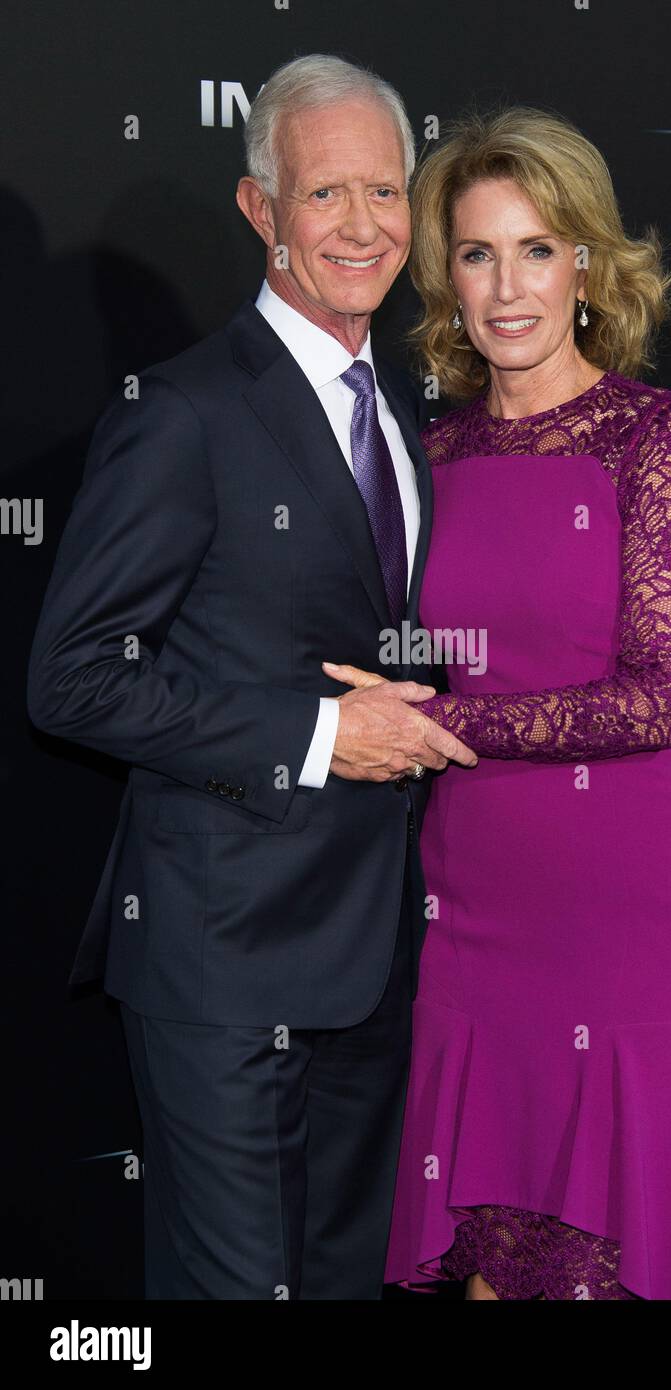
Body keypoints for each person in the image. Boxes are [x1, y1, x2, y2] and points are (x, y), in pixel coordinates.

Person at [26, 54, 476, 1301]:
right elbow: (71, 678)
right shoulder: (184, 413)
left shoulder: (397, 414)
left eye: (383, 193)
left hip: (374, 954)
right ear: (259, 208)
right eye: (323, 194)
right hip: (222, 962)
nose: (361, 226)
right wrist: (322, 736)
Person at [324, 107, 671, 1301]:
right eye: (475, 253)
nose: (505, 286)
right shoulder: (428, 455)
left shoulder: (652, 437)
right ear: (444, 279)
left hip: (625, 892)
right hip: (472, 894)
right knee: (482, 1249)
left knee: (612, 1257)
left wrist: (443, 726)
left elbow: (657, 697)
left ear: (585, 265)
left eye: (534, 249)